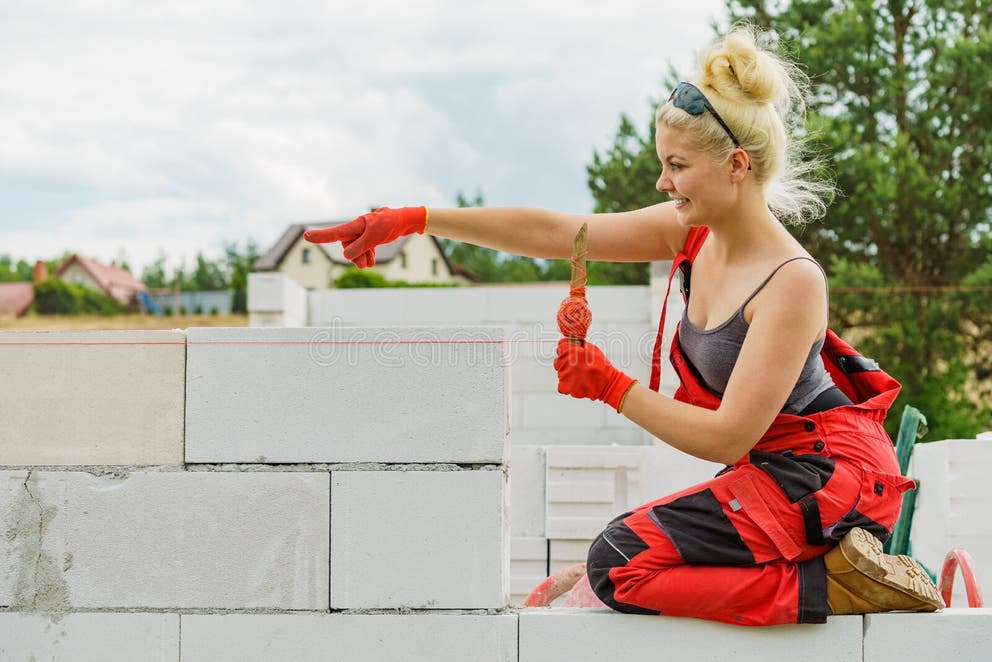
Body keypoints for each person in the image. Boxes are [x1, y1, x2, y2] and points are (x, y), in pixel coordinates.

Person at [304, 25, 943, 625]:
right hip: (772, 474)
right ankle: (820, 581)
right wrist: (414, 219)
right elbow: (557, 233)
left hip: (828, 481)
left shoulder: (792, 281)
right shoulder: (691, 232)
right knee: (615, 560)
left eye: (678, 166)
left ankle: (831, 586)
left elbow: (726, 437)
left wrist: (610, 386)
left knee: (618, 563)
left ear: (737, 166)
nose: (664, 182)